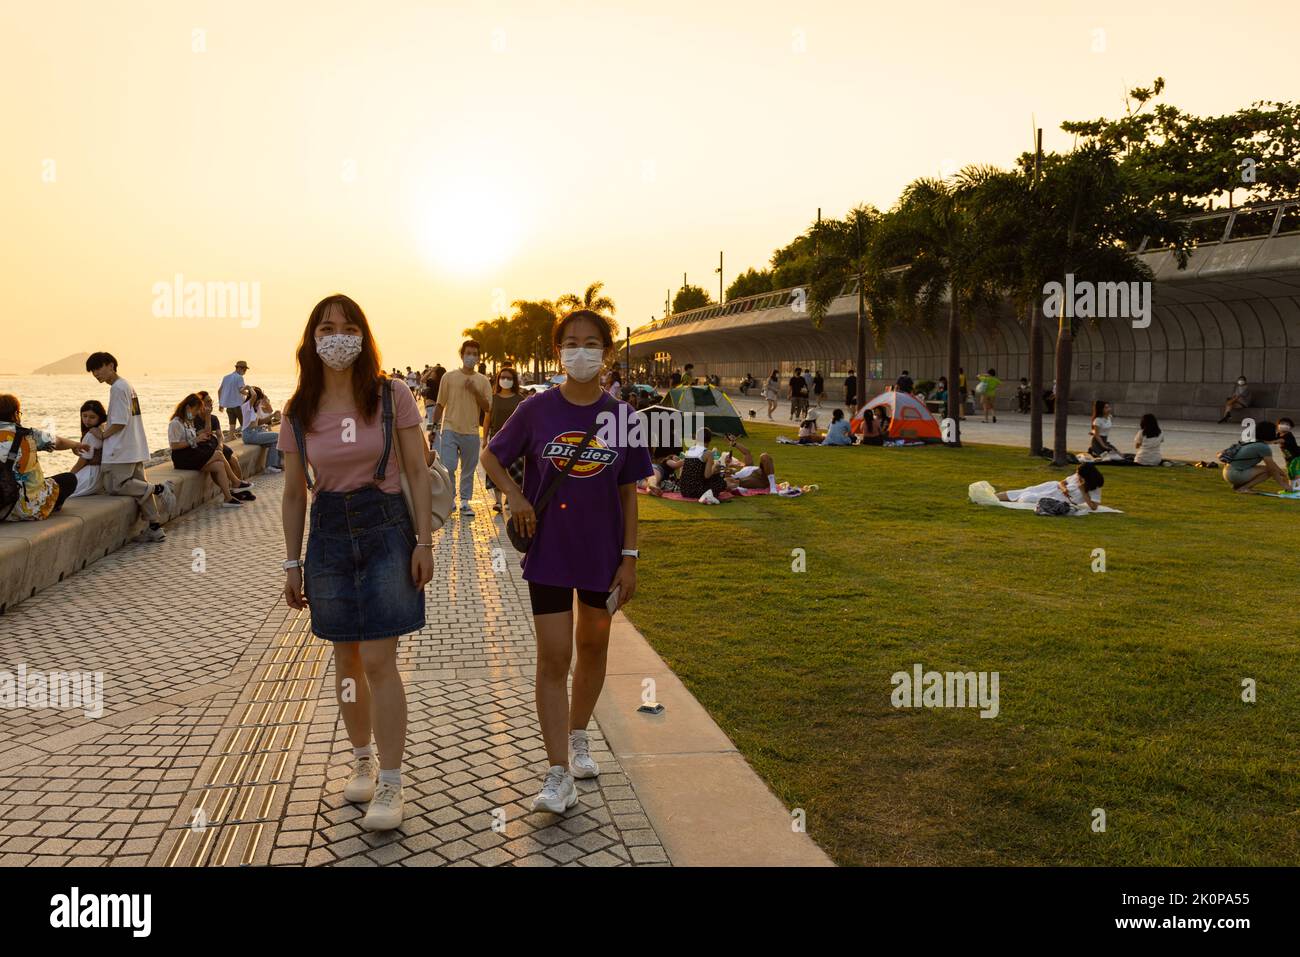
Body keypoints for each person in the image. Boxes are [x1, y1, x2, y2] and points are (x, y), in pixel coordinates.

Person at [480, 309, 652, 815]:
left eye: (591, 343)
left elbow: (629, 494)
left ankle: (579, 735)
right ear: (559, 352)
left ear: (607, 352)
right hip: (550, 551)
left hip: (602, 554)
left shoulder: (622, 419)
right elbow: (491, 455)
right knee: (554, 658)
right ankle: (557, 772)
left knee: (593, 645)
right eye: (570, 343)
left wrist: (630, 558)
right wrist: (516, 496)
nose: (580, 352)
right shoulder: (537, 410)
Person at [279, 293, 434, 833]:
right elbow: (295, 493)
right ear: (311, 341)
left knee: (376, 659)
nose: (337, 336)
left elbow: (417, 471)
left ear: (363, 335)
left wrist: (424, 542)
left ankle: (392, 782)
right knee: (344, 661)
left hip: (386, 527)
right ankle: (362, 760)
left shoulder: (392, 396)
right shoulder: (299, 410)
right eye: (326, 328)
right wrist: (290, 564)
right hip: (327, 535)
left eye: (347, 327)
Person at [85, 352, 176, 542]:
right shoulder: (127, 386)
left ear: (111, 365)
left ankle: (160, 488)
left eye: (98, 368)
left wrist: (102, 435)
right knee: (140, 488)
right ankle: (155, 527)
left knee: (114, 486)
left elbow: (119, 421)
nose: (95, 373)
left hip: (120, 450)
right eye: (92, 370)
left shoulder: (117, 388)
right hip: (133, 446)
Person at [0, 394, 89, 520]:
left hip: (2, 506)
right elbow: (57, 442)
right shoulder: (29, 435)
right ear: (15, 414)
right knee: (69, 479)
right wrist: (75, 444)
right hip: (29, 508)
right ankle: (52, 506)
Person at [168, 394, 250, 507]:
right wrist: (195, 440)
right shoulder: (175, 423)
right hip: (182, 458)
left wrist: (199, 437)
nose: (196, 413)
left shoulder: (187, 422)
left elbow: (195, 437)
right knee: (218, 454)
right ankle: (236, 482)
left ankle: (228, 498)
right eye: (196, 409)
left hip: (192, 454)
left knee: (219, 465)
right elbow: (174, 446)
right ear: (188, 408)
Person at [484, 365, 526, 513]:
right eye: (503, 377)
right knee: (496, 469)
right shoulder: (493, 398)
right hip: (496, 439)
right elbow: (487, 419)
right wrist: (484, 439)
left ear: (514, 381)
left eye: (509, 378)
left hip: (516, 441)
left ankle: (509, 499)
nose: (505, 380)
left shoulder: (520, 399)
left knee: (515, 471)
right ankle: (497, 501)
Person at [994, 463, 1105, 511]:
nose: (1077, 476)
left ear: (1087, 476)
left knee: (1028, 498)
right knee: (1028, 490)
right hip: (1054, 487)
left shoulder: (1095, 487)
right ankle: (991, 497)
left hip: (1059, 499)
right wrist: (1064, 489)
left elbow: (1094, 507)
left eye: (1080, 475)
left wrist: (1083, 491)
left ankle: (994, 499)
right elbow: (1062, 482)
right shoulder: (1077, 476)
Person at [197, 390, 249, 488]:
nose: (211, 404)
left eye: (211, 401)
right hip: (204, 446)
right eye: (207, 401)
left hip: (214, 443)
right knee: (217, 465)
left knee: (233, 460)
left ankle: (238, 487)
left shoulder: (214, 418)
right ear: (201, 404)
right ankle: (230, 489)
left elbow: (220, 435)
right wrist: (207, 416)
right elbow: (206, 434)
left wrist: (220, 446)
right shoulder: (196, 419)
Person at [1220, 421, 1290, 493]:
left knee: (1267, 468)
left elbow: (1272, 464)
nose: (1276, 433)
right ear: (1269, 433)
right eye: (1275, 431)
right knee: (1269, 470)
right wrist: (1284, 485)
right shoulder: (1263, 447)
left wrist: (1283, 474)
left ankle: (1239, 486)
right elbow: (1272, 469)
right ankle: (1244, 488)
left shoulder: (1251, 441)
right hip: (1235, 475)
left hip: (1227, 472)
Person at [67, 400, 107, 498]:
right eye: (84, 416)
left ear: (100, 418)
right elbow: (93, 454)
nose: (87, 420)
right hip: (100, 477)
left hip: (90, 476)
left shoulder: (90, 435)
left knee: (61, 487)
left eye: (92, 417)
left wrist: (68, 476)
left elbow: (82, 462)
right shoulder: (103, 430)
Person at [218, 361, 249, 430]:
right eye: (245, 370)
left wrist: (221, 404)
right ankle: (246, 438)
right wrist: (250, 394)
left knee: (232, 425)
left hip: (229, 406)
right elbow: (241, 390)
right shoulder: (239, 377)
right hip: (239, 406)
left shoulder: (226, 377)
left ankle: (231, 436)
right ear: (240, 368)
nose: (245, 372)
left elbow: (219, 391)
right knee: (244, 425)